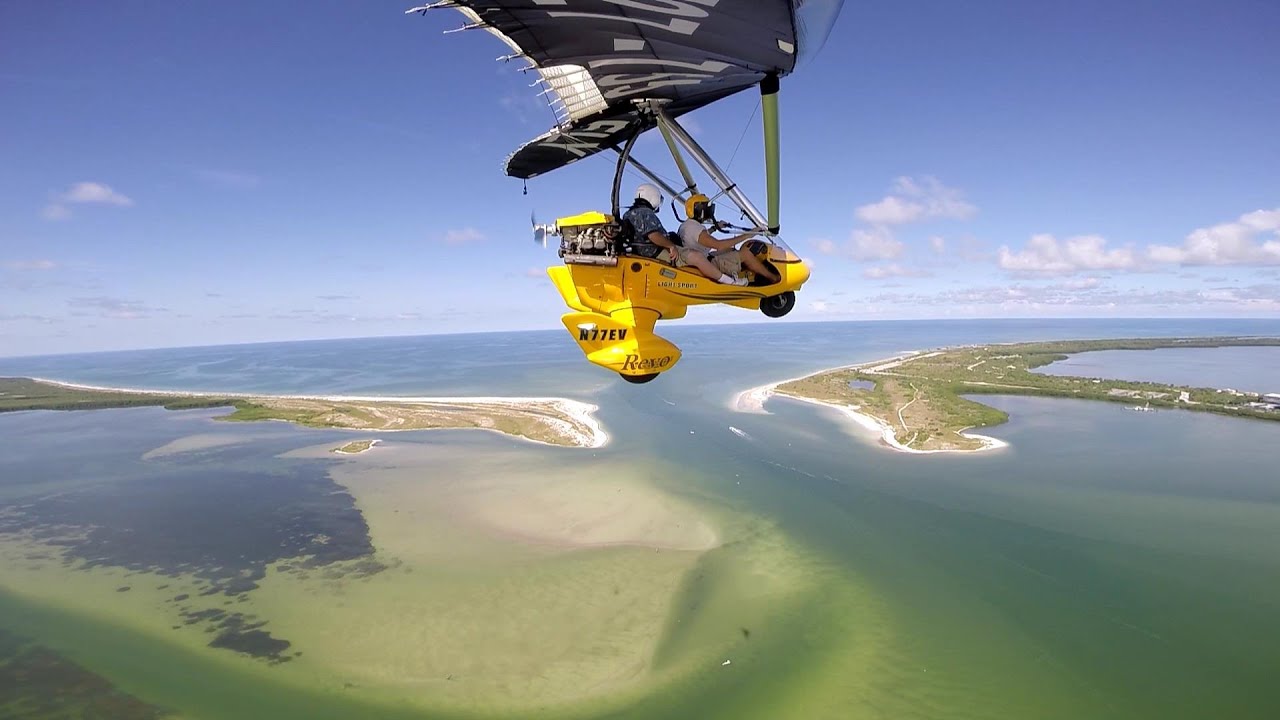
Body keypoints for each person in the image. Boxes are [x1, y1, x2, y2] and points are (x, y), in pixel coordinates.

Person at [623, 184, 748, 285]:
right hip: (657, 251)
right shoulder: (645, 212)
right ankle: (729, 281)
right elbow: (653, 235)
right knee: (696, 256)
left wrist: (714, 228)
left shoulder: (630, 213)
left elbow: (698, 237)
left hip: (646, 250)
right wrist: (671, 246)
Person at [676, 194, 781, 284]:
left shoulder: (687, 225)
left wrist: (715, 228)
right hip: (707, 264)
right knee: (745, 254)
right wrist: (748, 234)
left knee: (731, 250)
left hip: (702, 258)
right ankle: (773, 278)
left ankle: (748, 272)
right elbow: (719, 245)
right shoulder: (694, 228)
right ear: (700, 210)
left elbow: (699, 238)